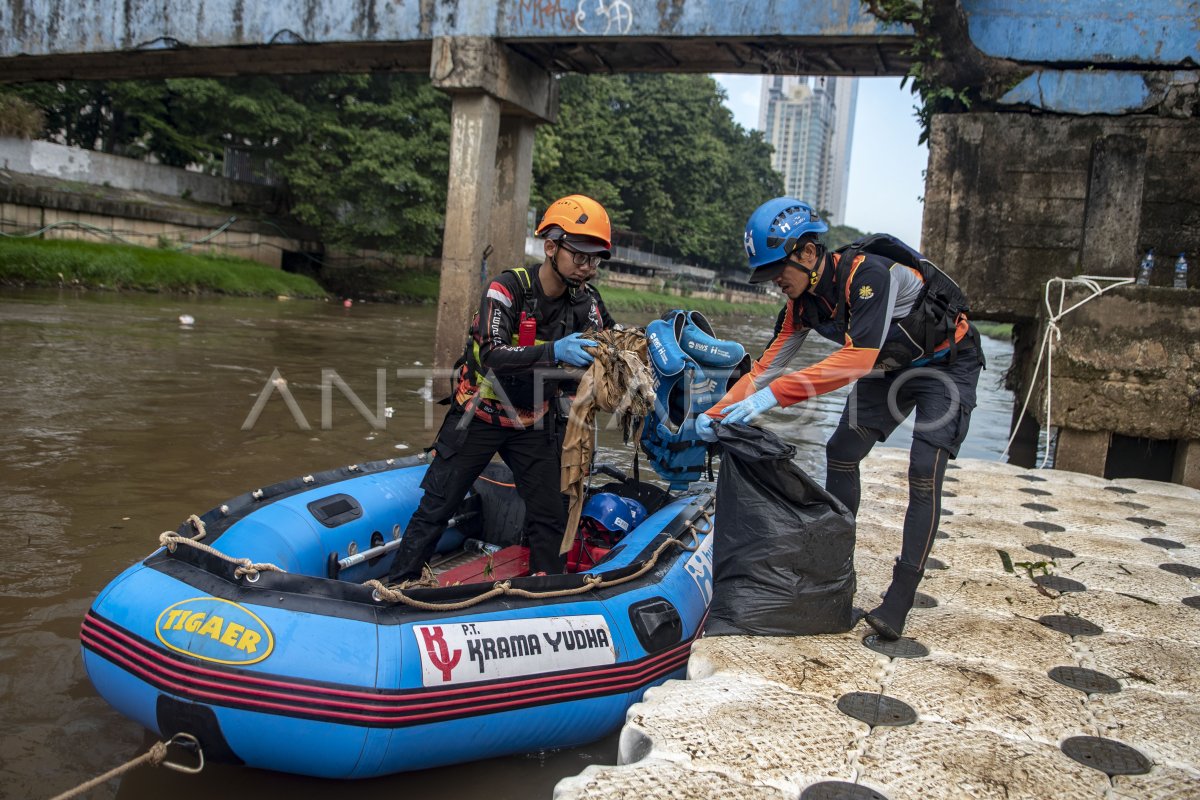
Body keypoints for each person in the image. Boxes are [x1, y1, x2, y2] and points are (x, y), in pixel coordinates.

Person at [696, 197, 984, 640]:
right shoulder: (800, 306)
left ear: (807, 253)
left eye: (779, 271)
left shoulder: (869, 275)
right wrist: (713, 414)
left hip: (948, 364)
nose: (776, 283)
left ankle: (901, 596)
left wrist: (775, 397)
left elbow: (855, 361)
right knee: (841, 451)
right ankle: (835, 570)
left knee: (924, 471)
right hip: (891, 369)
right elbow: (762, 372)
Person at [389, 194, 617, 582]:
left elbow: (614, 343)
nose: (588, 268)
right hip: (479, 415)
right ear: (551, 247)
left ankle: (547, 596)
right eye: (580, 256)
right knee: (437, 507)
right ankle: (396, 586)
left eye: (595, 260)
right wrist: (554, 350)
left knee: (551, 516)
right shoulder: (506, 290)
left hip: (534, 422)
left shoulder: (586, 303)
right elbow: (493, 354)